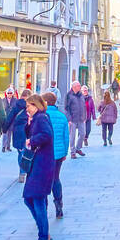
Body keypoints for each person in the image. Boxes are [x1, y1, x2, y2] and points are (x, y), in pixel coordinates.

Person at [22, 92, 54, 240]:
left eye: (29, 106)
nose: (27, 109)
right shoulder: (37, 118)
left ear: (36, 105)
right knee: (30, 198)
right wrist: (28, 125)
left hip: (42, 165)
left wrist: (32, 141)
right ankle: (44, 234)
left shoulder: (41, 118)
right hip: (39, 164)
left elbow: (46, 135)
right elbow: (32, 132)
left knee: (35, 199)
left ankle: (43, 239)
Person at [45, 90, 70, 219]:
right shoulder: (62, 116)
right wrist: (65, 152)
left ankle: (43, 206)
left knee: (43, 179)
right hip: (58, 152)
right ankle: (58, 204)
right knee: (55, 178)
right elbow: (66, 137)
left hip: (44, 153)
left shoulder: (42, 115)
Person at [4, 88, 30, 181]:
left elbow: (9, 118)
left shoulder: (16, 105)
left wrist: (4, 129)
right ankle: (24, 171)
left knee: (20, 152)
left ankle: (22, 172)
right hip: (28, 130)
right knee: (26, 151)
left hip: (18, 131)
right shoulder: (31, 106)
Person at [66, 81, 87, 159]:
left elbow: (84, 106)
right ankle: (72, 152)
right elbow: (66, 108)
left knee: (83, 134)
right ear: (74, 87)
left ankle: (78, 148)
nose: (80, 87)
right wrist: (69, 119)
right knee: (72, 136)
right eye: (78, 86)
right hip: (73, 119)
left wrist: (85, 116)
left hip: (81, 118)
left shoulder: (81, 95)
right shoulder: (69, 95)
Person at [0, 87, 15, 152]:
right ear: (6, 94)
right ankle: (3, 146)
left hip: (12, 119)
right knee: (5, 133)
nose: (9, 94)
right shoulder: (3, 100)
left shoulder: (15, 100)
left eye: (11, 93)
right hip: (5, 119)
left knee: (9, 134)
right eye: (8, 93)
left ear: (12, 93)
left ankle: (8, 146)